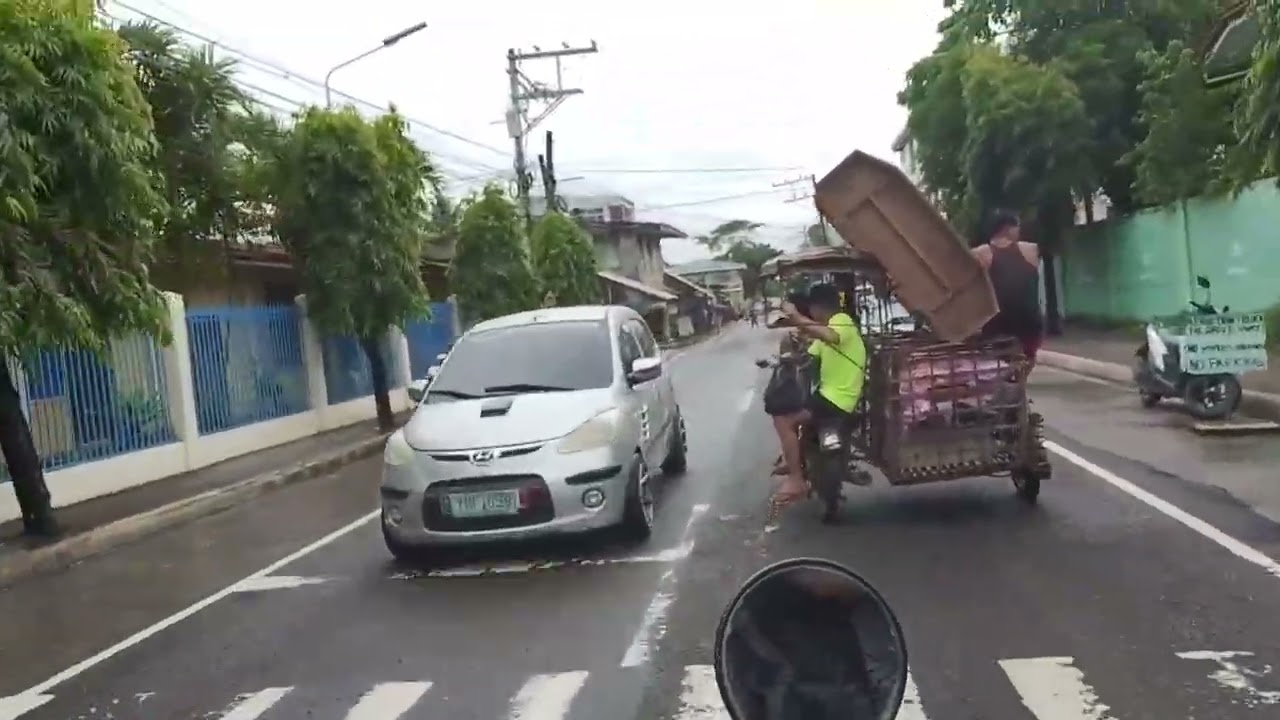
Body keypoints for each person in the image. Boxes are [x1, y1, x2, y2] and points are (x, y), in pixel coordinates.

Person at [771, 283, 867, 507]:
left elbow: (830, 336)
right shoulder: (826, 331)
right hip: (834, 400)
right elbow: (807, 354)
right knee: (802, 415)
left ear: (818, 308)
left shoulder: (841, 321)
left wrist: (795, 316)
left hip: (834, 400)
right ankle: (797, 459)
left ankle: (796, 479)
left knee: (783, 419)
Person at [971, 210, 1044, 365]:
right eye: (1017, 226)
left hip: (997, 324)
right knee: (1026, 361)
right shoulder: (1030, 249)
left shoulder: (981, 253)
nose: (1019, 230)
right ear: (1007, 228)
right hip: (1029, 324)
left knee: (996, 365)